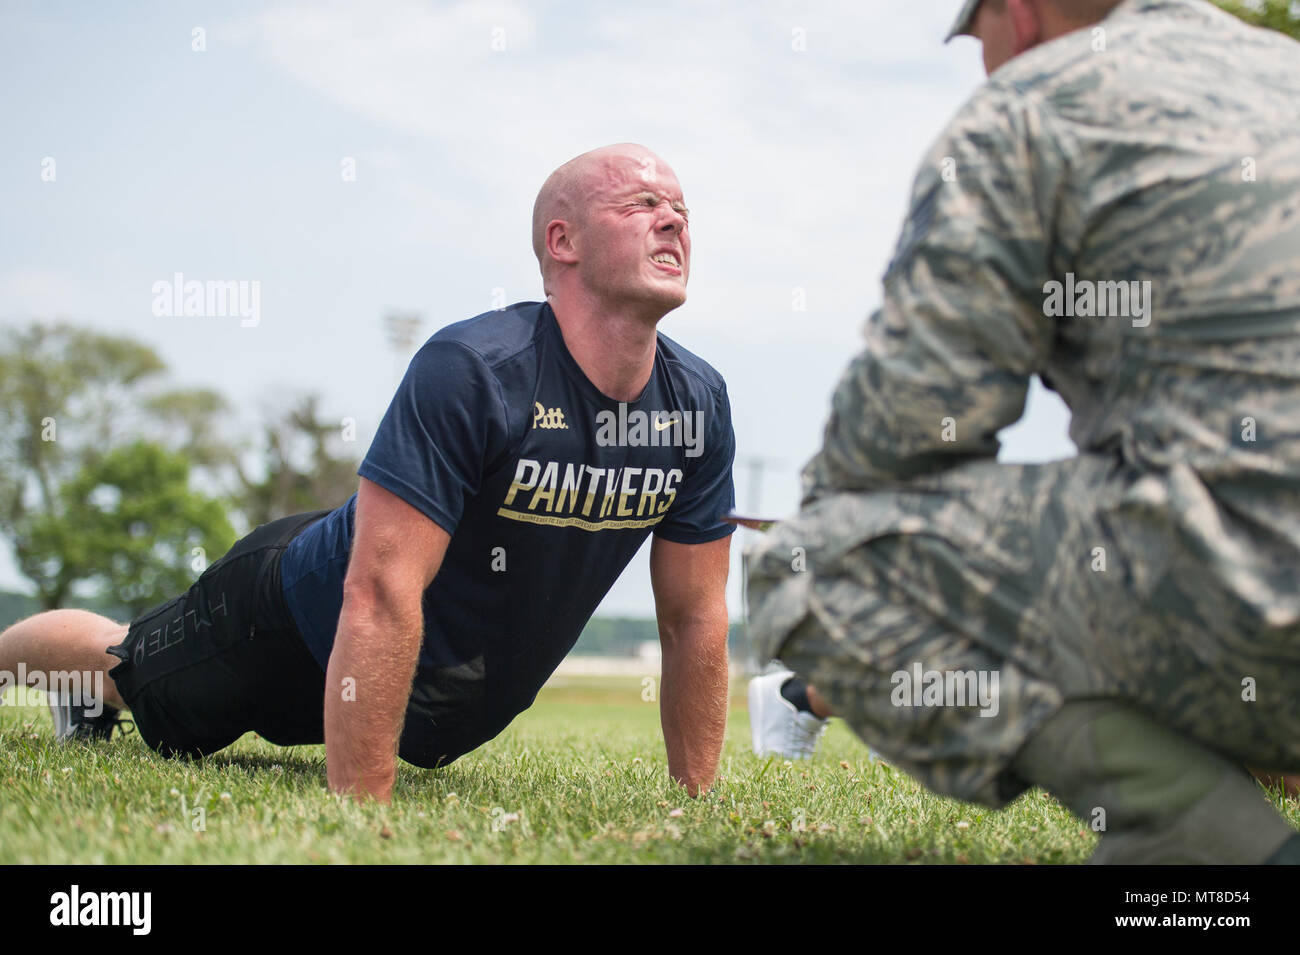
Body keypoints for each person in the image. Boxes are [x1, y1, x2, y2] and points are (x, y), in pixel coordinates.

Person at [0, 143, 736, 804]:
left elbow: (693, 615)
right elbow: (381, 586)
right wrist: (365, 811)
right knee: (120, 667)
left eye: (680, 209)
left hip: (405, 688)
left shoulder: (697, 402)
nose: (672, 221)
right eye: (642, 204)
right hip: (285, 619)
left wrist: (693, 800)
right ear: (562, 240)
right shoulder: (476, 370)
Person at [746, 0, 1300, 863]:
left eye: (980, 40)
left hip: (1256, 590)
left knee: (813, 560)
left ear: (1022, 16)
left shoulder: (1033, 105)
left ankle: (1210, 851)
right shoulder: (1281, 69)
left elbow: (893, 438)